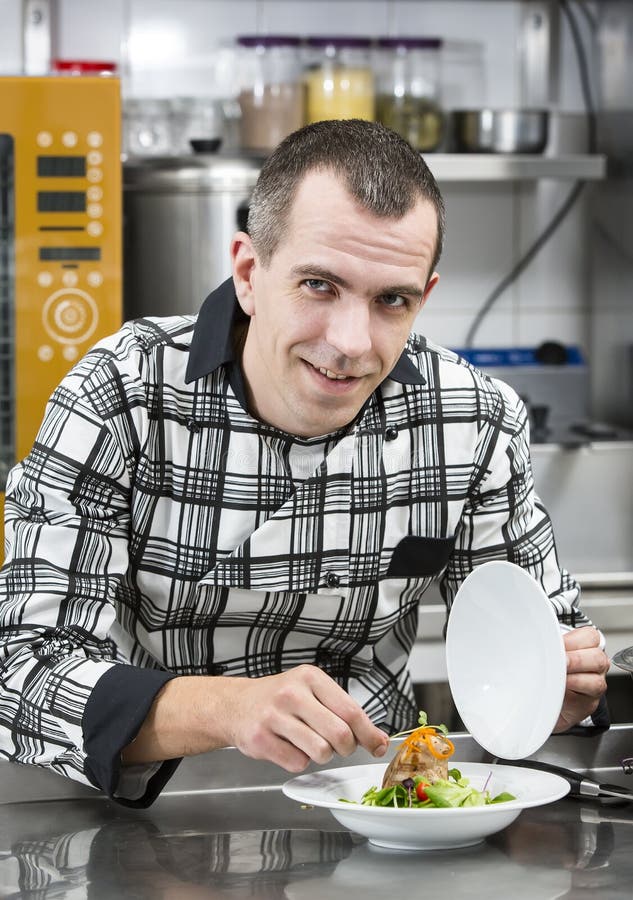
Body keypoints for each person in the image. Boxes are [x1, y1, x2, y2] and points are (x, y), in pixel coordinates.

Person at [0, 119, 609, 808]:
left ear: (424, 298)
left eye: (391, 300)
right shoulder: (119, 396)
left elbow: (543, 648)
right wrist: (228, 710)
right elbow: (21, 671)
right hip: (149, 804)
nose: (351, 343)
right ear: (249, 274)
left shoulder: (474, 419)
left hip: (385, 809)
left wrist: (552, 696)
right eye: (319, 285)